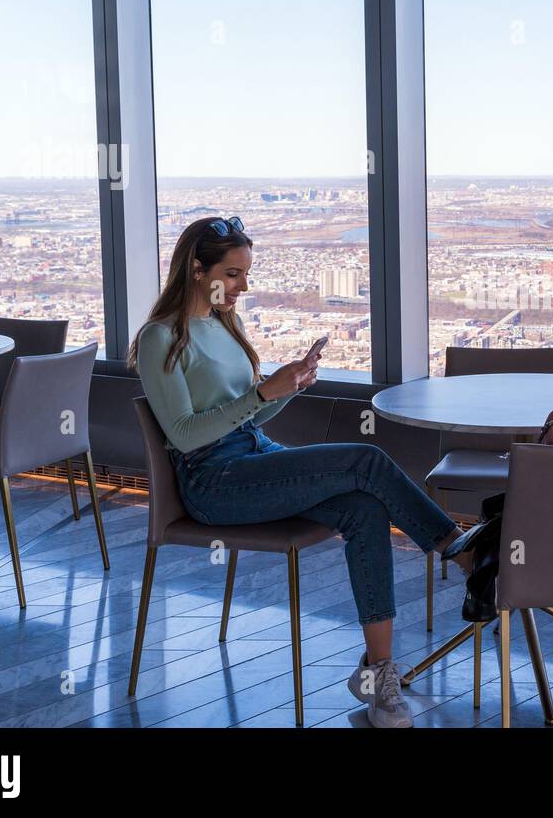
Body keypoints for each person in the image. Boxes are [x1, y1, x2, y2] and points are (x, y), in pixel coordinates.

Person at [128, 216, 470, 729]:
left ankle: (378, 676)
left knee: (364, 506)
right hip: (213, 481)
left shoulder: (227, 323)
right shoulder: (161, 338)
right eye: (235, 273)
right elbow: (184, 434)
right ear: (198, 271)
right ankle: (460, 552)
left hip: (255, 454)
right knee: (367, 460)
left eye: (246, 273)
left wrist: (286, 388)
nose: (245, 285)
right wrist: (262, 394)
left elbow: (247, 412)